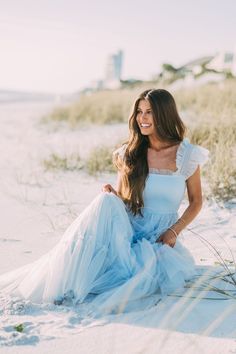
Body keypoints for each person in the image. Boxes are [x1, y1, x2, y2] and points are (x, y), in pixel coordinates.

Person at [0, 88, 209, 317]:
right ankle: (65, 278)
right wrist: (113, 195)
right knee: (106, 201)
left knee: (135, 276)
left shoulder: (187, 155)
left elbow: (196, 201)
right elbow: (125, 200)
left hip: (160, 238)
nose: (142, 118)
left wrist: (174, 231)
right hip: (127, 229)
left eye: (149, 112)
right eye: (139, 112)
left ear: (165, 114)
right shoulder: (129, 153)